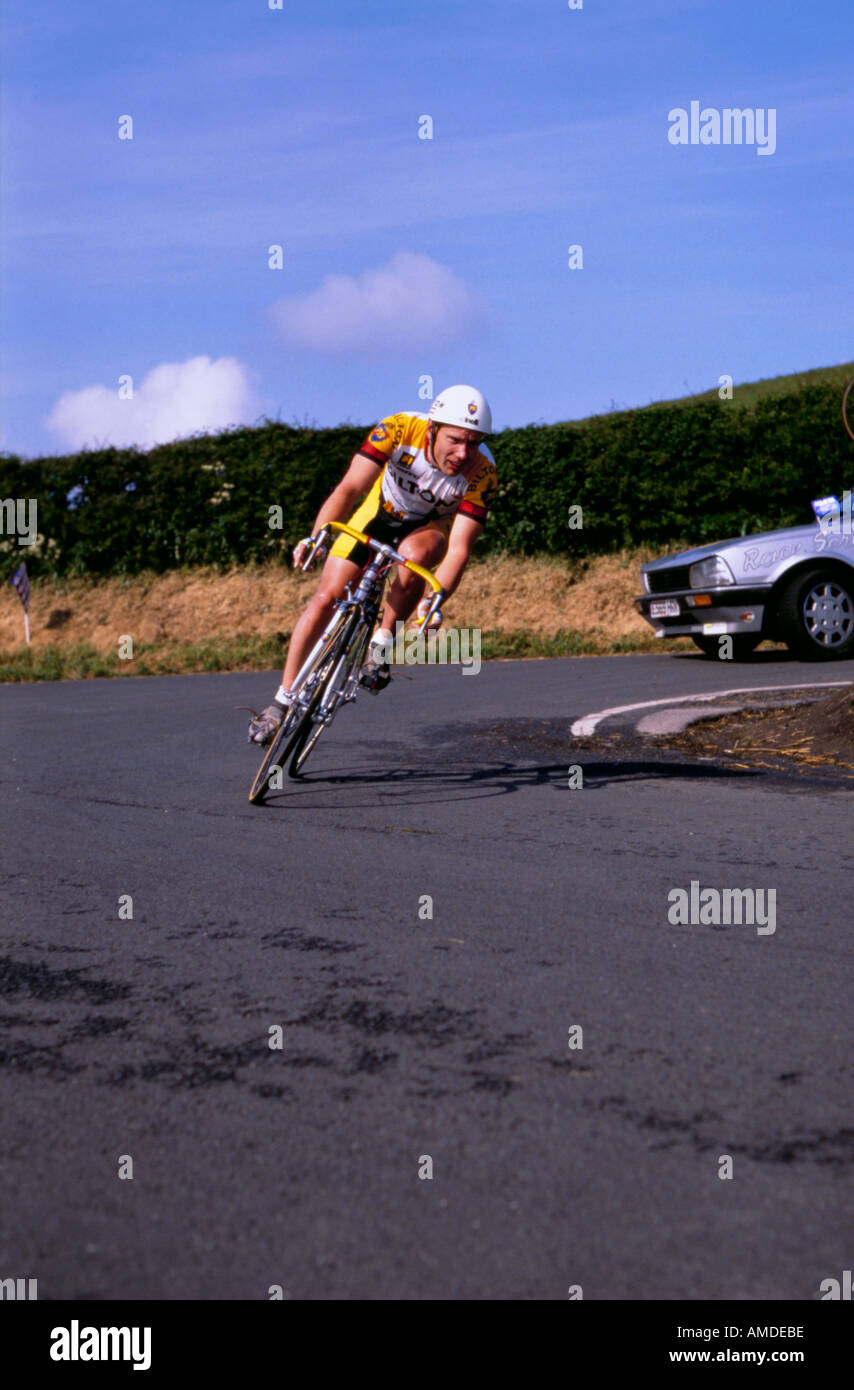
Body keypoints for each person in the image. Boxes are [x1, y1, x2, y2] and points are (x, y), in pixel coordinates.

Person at [248, 385, 497, 744]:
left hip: (426, 529)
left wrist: (433, 601)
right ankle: (280, 702)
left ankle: (379, 647)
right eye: (456, 440)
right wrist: (316, 537)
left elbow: (458, 549)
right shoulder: (398, 428)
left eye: (474, 443)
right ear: (432, 429)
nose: (463, 453)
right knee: (325, 598)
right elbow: (350, 488)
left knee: (416, 555)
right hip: (379, 513)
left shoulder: (483, 473)